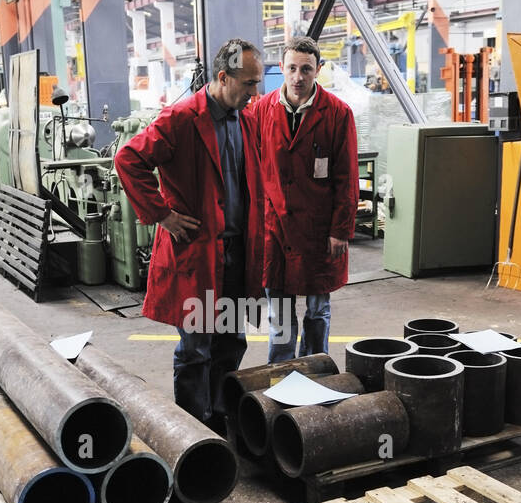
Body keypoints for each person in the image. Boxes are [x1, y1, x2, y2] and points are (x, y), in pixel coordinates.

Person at [115, 38, 265, 427]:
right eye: (248, 83)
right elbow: (128, 159)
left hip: (236, 255)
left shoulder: (246, 121)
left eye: (256, 83)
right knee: (197, 347)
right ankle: (191, 427)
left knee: (232, 340)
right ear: (222, 77)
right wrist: (162, 215)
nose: (255, 92)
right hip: (198, 255)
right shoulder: (181, 118)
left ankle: (219, 415)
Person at [250, 35, 358, 363]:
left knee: (317, 311)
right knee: (280, 315)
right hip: (275, 230)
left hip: (319, 231)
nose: (299, 77)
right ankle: (281, 375)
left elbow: (347, 178)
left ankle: (315, 370)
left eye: (307, 69)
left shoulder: (338, 114)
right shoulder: (260, 113)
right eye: (292, 68)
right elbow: (252, 173)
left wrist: (340, 230)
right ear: (281, 68)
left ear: (318, 70)